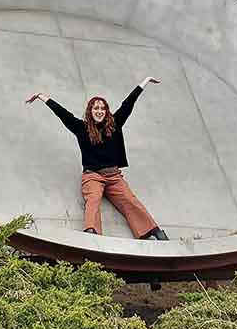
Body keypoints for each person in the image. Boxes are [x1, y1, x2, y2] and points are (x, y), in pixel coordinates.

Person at [26, 77, 169, 240]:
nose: (99, 111)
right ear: (90, 111)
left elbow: (128, 103)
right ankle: (91, 232)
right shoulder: (81, 128)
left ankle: (152, 230)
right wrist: (42, 96)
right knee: (93, 199)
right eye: (96, 108)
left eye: (102, 108)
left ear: (106, 111)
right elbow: (62, 113)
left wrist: (145, 81)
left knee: (130, 200)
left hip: (114, 176)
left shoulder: (114, 124)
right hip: (92, 176)